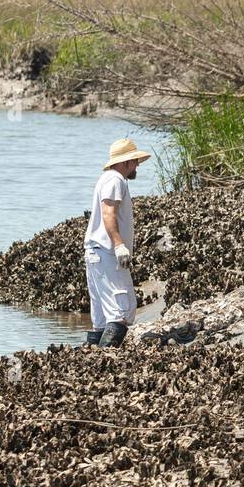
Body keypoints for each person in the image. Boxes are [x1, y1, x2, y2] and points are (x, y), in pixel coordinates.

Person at [83, 137, 151, 347]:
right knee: (122, 310)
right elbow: (108, 212)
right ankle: (105, 358)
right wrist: (119, 245)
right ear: (125, 162)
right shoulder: (115, 180)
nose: (137, 165)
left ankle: (91, 360)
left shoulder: (107, 178)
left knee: (102, 318)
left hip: (96, 253)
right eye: (135, 161)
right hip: (107, 252)